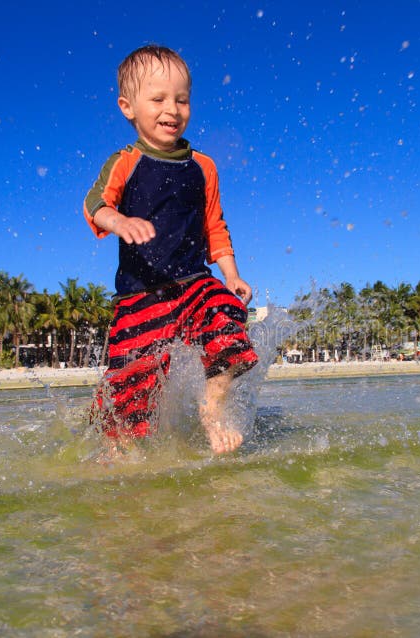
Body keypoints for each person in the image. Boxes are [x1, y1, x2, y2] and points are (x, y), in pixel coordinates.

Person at [83, 45, 258, 457]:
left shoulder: (204, 166)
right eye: (158, 99)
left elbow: (215, 225)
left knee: (228, 319)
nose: (172, 109)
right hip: (140, 296)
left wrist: (231, 275)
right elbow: (95, 204)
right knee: (129, 401)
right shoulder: (126, 162)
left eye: (181, 99)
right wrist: (119, 221)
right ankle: (118, 464)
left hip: (195, 284)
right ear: (128, 107)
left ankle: (211, 409)